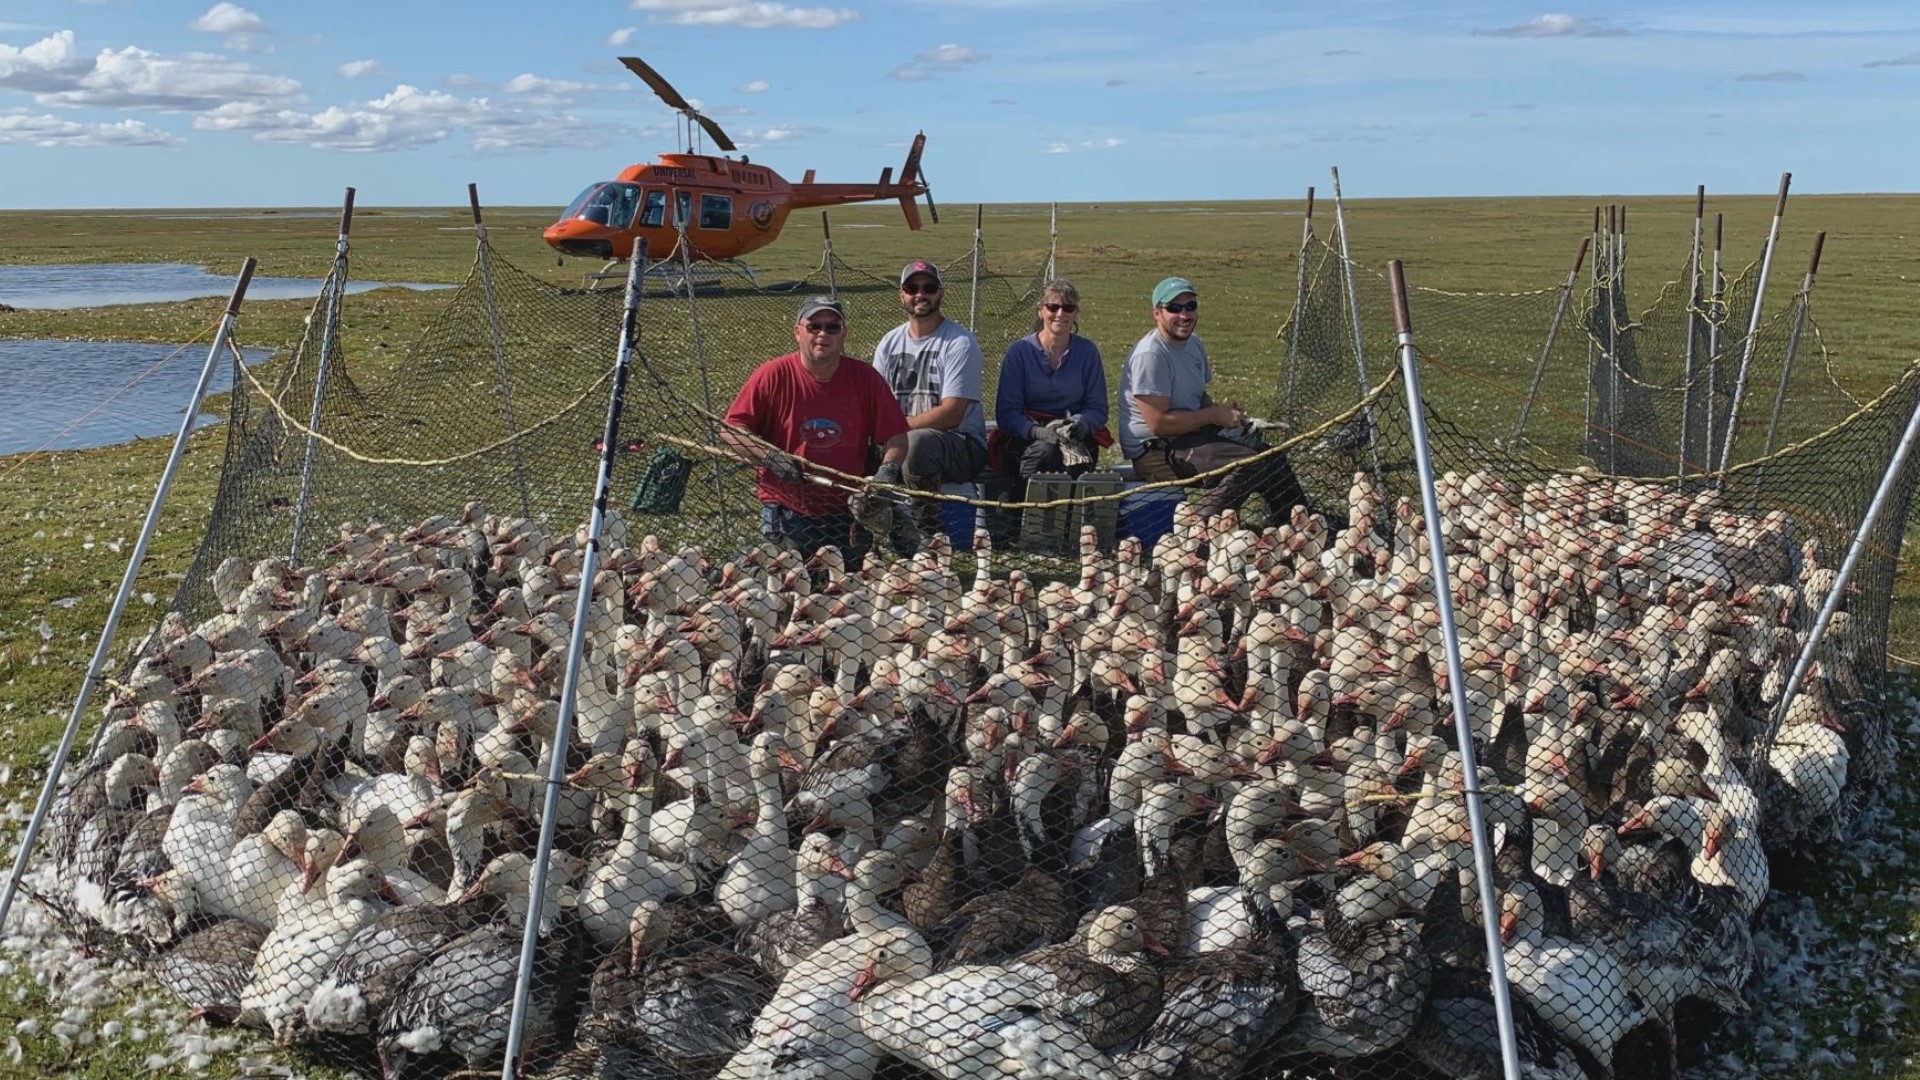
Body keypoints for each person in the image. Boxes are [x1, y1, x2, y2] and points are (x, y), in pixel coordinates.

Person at [722, 296, 910, 566]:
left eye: (832, 327)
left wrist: (887, 472)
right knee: (791, 579)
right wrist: (770, 458)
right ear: (798, 332)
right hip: (788, 507)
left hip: (847, 508)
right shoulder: (772, 374)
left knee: (850, 581)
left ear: (843, 333)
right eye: (814, 326)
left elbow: (897, 438)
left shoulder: (866, 378)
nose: (823, 334)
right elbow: (731, 429)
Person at [1114, 276, 1308, 521]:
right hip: (1156, 451)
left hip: (1189, 437)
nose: (1184, 315)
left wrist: (1226, 416)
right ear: (1157, 314)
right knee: (1248, 463)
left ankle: (1301, 527)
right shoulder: (1151, 355)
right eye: (1174, 308)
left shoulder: (1194, 344)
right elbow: (1158, 424)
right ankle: (1199, 532)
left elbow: (1197, 395)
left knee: (1270, 457)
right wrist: (1214, 415)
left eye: (1190, 306)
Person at [871, 260, 989, 542]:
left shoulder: (959, 342)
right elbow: (875, 405)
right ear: (902, 295)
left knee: (917, 443)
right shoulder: (888, 343)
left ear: (941, 294)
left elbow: (951, 414)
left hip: (960, 444)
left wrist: (896, 431)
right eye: (912, 288)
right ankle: (860, 530)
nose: (920, 294)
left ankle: (927, 531)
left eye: (929, 287)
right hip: (901, 439)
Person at [984, 278, 1109, 542]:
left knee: (1076, 458)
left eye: (1068, 307)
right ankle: (1026, 525)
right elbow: (1006, 413)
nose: (1060, 314)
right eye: (1053, 307)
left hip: (1073, 435)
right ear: (1040, 310)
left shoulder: (1087, 352)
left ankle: (1069, 530)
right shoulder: (1019, 352)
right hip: (1026, 438)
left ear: (1075, 313)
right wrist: (1038, 432)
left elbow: (1098, 408)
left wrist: (1078, 423)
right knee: (1047, 452)